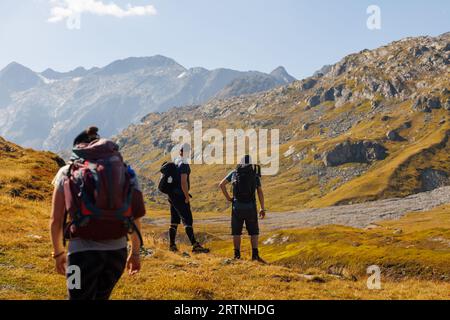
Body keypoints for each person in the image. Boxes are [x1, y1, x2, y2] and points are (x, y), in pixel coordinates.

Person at [50, 126, 146, 300]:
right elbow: (134, 218)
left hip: (79, 255)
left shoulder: (66, 172)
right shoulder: (124, 171)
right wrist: (135, 253)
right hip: (117, 254)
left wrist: (58, 253)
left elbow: (56, 220)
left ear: (78, 149)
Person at [219, 155, 266, 263]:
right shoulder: (254, 174)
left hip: (237, 207)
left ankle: (237, 255)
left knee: (236, 232)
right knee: (254, 232)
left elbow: (221, 185)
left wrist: (229, 198)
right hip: (251, 207)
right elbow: (259, 192)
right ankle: (255, 256)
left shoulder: (235, 173)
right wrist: (262, 208)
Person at [168, 143, 210, 253]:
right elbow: (183, 182)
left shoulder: (176, 161)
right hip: (180, 197)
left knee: (174, 221)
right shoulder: (184, 164)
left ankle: (172, 245)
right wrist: (186, 196)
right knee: (187, 220)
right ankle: (195, 246)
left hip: (172, 196)